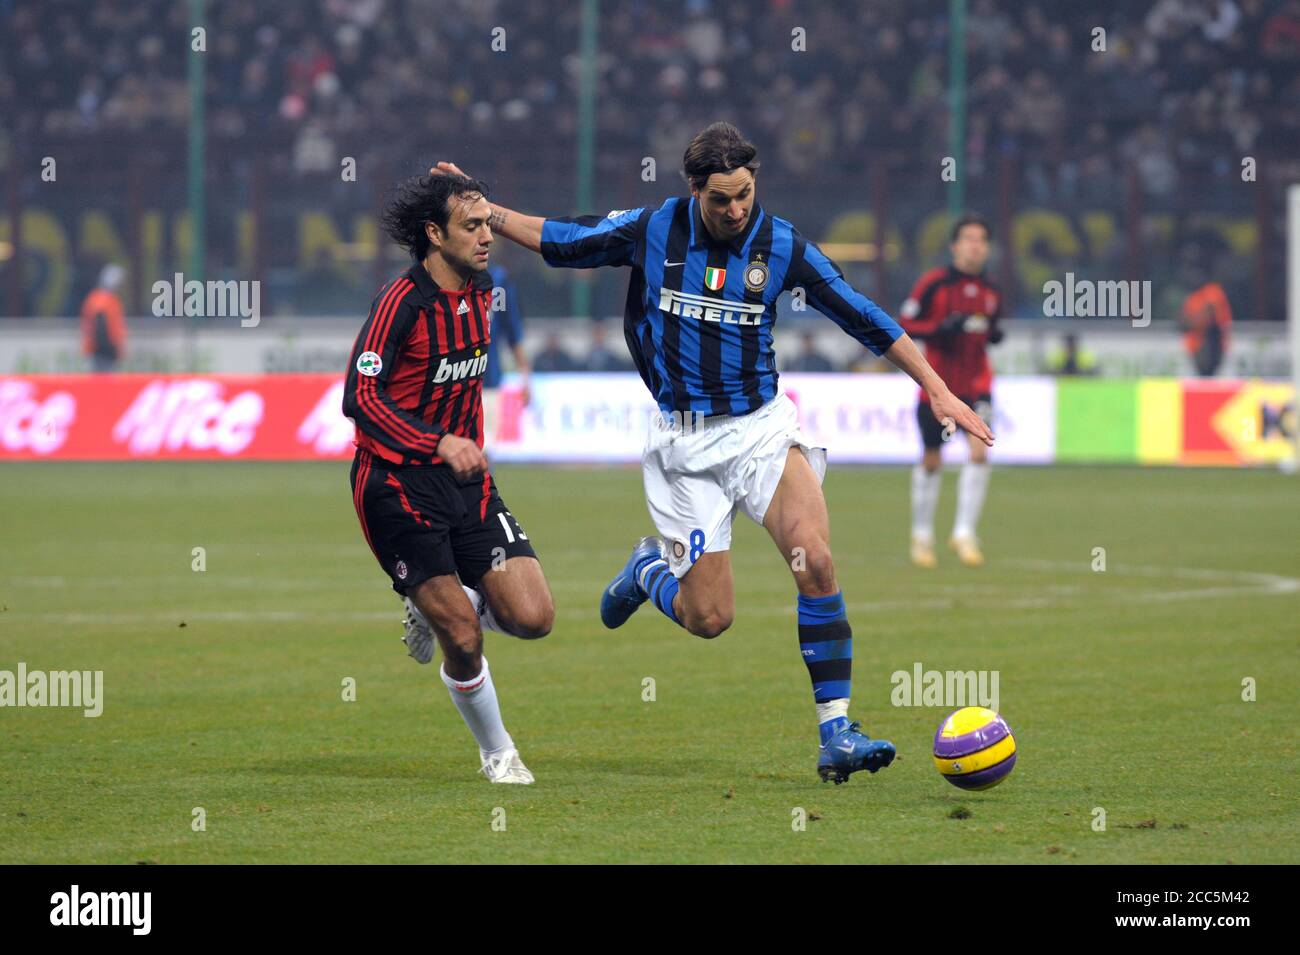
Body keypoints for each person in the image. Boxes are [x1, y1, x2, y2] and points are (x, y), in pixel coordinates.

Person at [432, 122, 992, 784]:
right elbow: (561, 239)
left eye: (745, 195)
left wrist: (937, 388)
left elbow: (862, 314)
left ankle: (836, 729)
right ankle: (648, 571)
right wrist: (484, 210)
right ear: (694, 188)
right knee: (710, 617)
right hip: (685, 444)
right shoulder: (651, 231)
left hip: (761, 430)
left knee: (815, 559)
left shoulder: (780, 244)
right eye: (721, 198)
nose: (735, 210)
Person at [342, 173, 555, 785]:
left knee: (534, 617)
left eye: (487, 224)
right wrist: (437, 440)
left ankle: (436, 603)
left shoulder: (484, 288)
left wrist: (455, 181)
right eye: (472, 226)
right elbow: (360, 397)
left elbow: (456, 196)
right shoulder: (400, 302)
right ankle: (499, 753)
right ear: (434, 235)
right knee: (463, 636)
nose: (487, 237)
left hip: (469, 484)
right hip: (397, 486)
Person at [899, 216, 1003, 569]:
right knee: (932, 460)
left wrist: (994, 333)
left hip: (977, 386)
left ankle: (964, 532)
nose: (976, 245)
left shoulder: (991, 291)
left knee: (979, 451)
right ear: (955, 246)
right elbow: (904, 324)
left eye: (981, 239)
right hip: (938, 389)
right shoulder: (934, 284)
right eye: (969, 239)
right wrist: (939, 329)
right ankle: (921, 535)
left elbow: (993, 328)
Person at [483, 261, 531, 445]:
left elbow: (513, 333)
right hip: (447, 384)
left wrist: (525, 378)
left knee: (481, 452)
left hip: (486, 382)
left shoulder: (497, 282)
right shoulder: (442, 276)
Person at [80, 264, 127, 372]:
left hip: (102, 351)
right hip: (102, 352)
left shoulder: (105, 299)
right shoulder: (102, 300)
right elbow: (100, 328)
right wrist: (109, 349)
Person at [1181, 281, 1232, 377]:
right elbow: (1184, 321)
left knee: (1211, 378)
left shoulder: (1212, 292)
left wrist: (1195, 321)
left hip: (1212, 341)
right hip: (1196, 344)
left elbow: (1209, 316)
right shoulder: (1193, 298)